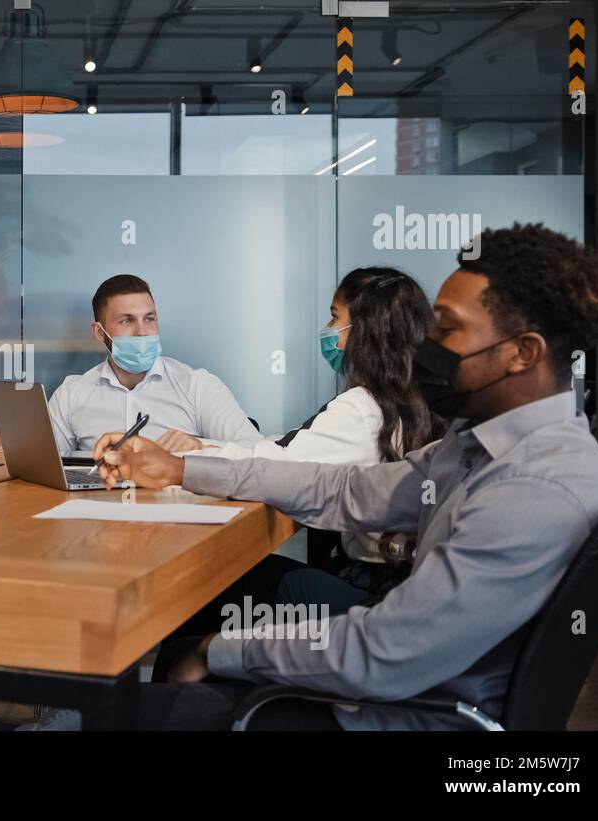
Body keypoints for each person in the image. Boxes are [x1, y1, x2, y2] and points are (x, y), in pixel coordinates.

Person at [95, 223, 598, 729]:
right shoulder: (479, 445)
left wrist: (221, 649)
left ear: (522, 352)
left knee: (132, 708)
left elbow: (383, 651)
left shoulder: (532, 488)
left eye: (448, 329)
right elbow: (345, 491)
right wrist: (182, 467)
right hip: (396, 687)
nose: (427, 346)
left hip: (399, 711)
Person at [145, 267, 445, 683]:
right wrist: (202, 452)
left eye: (334, 317)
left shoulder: (361, 408)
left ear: (364, 331)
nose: (327, 329)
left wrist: (188, 462)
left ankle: (172, 703)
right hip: (395, 590)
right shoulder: (412, 402)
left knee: (199, 589)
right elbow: (287, 452)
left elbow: (283, 468)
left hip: (367, 600)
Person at [0, 274, 260, 456]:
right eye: (127, 321)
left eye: (150, 318)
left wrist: (202, 449)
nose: (143, 332)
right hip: (94, 521)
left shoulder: (197, 385)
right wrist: (9, 451)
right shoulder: (73, 392)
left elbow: (257, 452)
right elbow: (44, 460)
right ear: (99, 332)